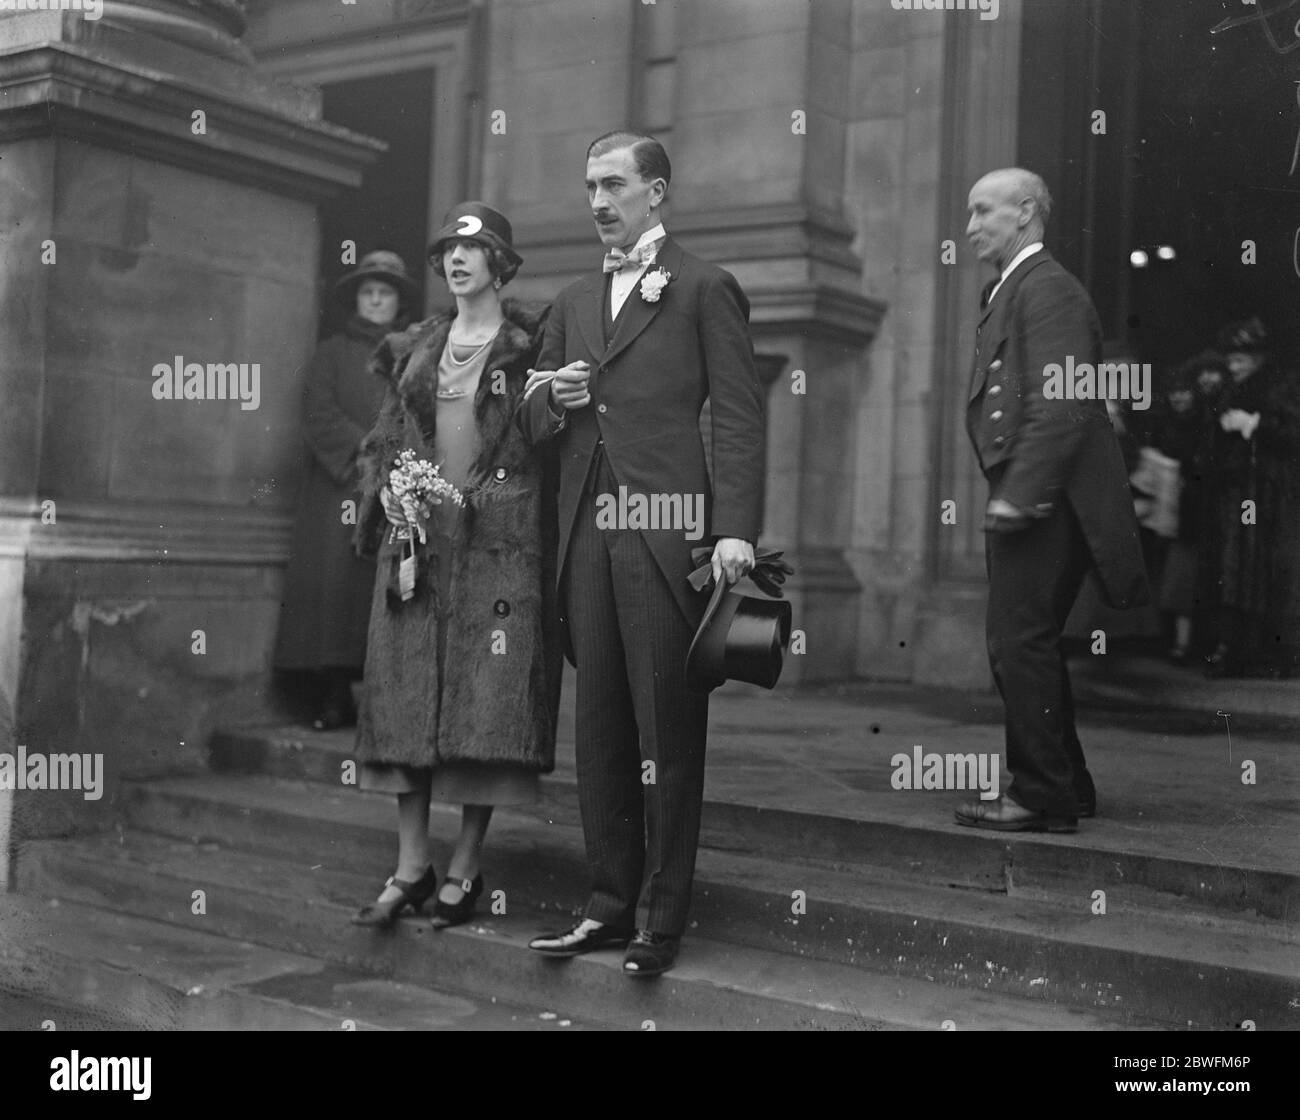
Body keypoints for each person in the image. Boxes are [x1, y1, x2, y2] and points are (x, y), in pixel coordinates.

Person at [519, 130, 765, 976]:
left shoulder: (702, 288)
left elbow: (736, 413)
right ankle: (606, 906)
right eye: (589, 184)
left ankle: (662, 916)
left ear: (655, 192)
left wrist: (735, 526)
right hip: (588, 527)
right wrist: (553, 396)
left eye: (614, 184)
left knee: (667, 723)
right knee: (600, 728)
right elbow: (530, 422)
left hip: (666, 531)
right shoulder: (571, 299)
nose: (597, 201)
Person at [350, 203, 560, 929]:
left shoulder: (530, 348)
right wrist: (389, 491)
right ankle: (411, 866)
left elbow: (544, 446)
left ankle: (466, 867)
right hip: (418, 545)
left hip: (497, 547)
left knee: (486, 702)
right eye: (448, 252)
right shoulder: (415, 347)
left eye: (475, 250)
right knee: (404, 700)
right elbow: (385, 438)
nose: (458, 262)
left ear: (501, 262)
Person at [956, 168, 1148, 833]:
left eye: (985, 211)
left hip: (1046, 498)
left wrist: (1021, 494)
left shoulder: (1049, 290)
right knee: (1026, 638)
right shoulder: (1014, 288)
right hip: (1037, 493)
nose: (973, 225)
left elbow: (1062, 401)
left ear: (1028, 212)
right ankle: (1067, 783)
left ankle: (1042, 793)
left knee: (1018, 642)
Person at [275, 251, 416, 730]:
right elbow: (318, 410)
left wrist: (402, 456)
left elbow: (421, 409)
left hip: (397, 483)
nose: (376, 300)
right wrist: (365, 447)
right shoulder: (332, 352)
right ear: (358, 299)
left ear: (398, 302)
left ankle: (386, 699)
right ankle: (333, 696)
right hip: (343, 487)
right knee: (337, 589)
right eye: (368, 292)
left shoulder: (410, 354)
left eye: (386, 293)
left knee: (390, 587)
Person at [1203, 318, 1300, 678]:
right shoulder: (1231, 389)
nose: (1233, 362)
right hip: (1234, 491)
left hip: (1267, 492)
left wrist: (1254, 425)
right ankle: (1232, 647)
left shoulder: (1280, 387)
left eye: (1241, 355)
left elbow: (1293, 431)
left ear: (1259, 357)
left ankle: (1262, 651)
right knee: (1233, 569)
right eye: (1231, 355)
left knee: (1260, 569)